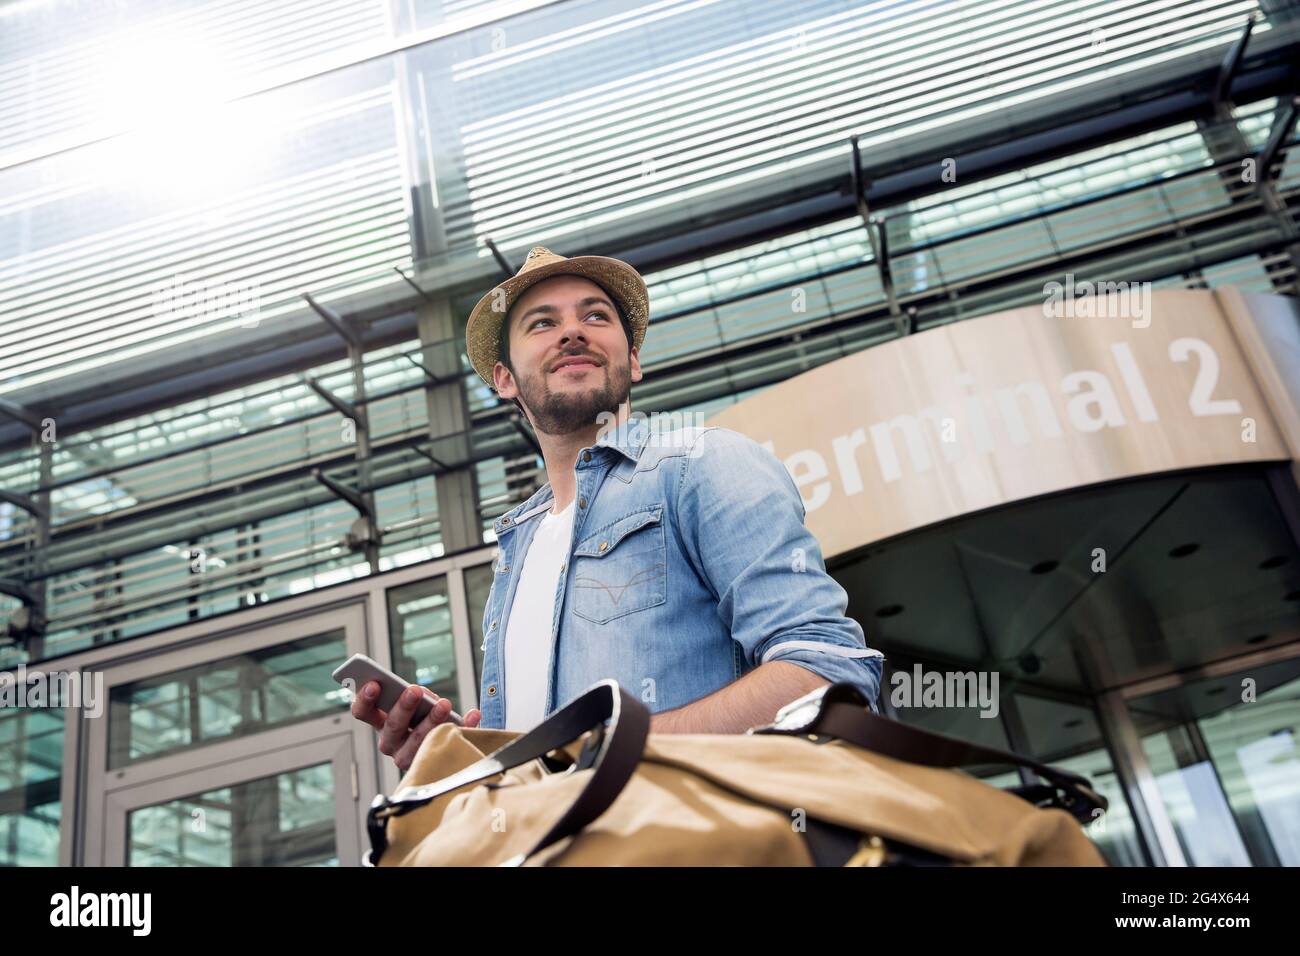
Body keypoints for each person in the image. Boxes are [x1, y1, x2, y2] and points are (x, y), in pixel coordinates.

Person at [354, 246, 883, 772]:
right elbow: (537, 777)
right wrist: (458, 762)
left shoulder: (702, 465)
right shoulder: (515, 555)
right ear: (505, 380)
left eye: (595, 316)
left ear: (632, 360)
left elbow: (825, 674)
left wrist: (608, 753)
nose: (572, 332)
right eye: (542, 323)